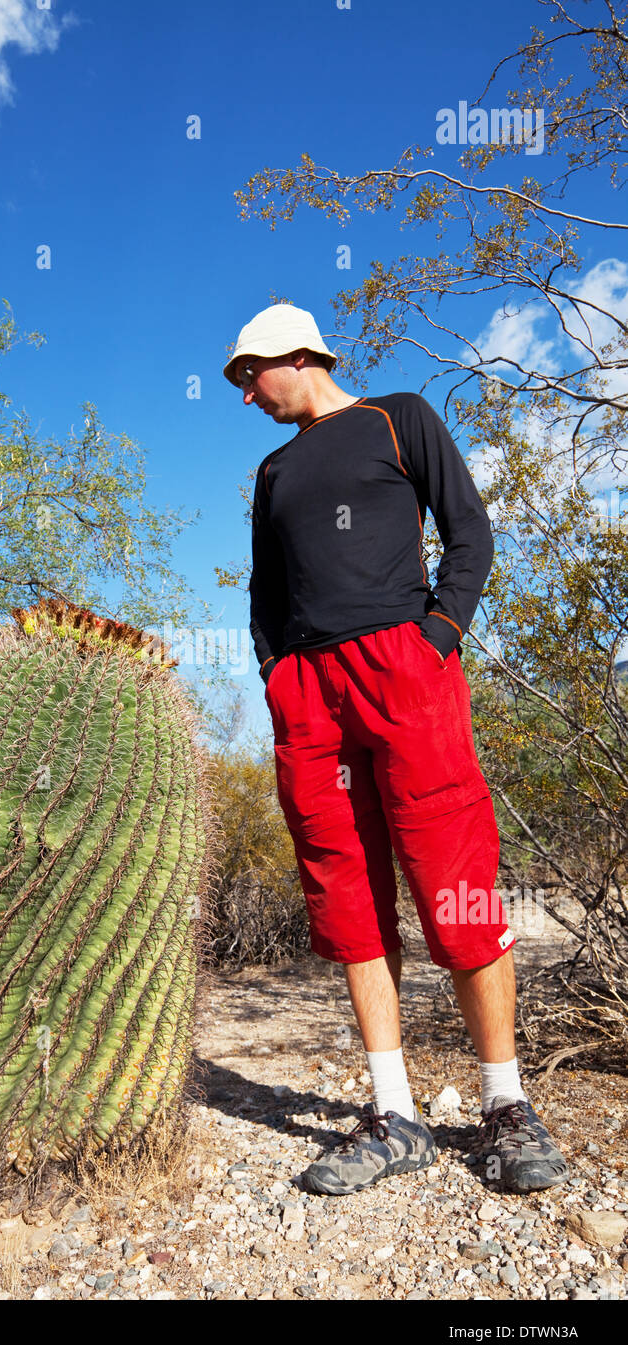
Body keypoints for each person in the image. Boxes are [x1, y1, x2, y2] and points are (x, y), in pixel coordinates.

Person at [225, 303, 569, 1196]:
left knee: (452, 871)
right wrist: (277, 675)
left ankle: (504, 1106)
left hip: (403, 673)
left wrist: (434, 639)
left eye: (247, 375)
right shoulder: (271, 472)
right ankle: (395, 1114)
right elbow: (264, 591)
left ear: (294, 357)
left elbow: (471, 532)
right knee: (346, 890)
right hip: (309, 695)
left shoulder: (398, 416)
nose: (244, 393)